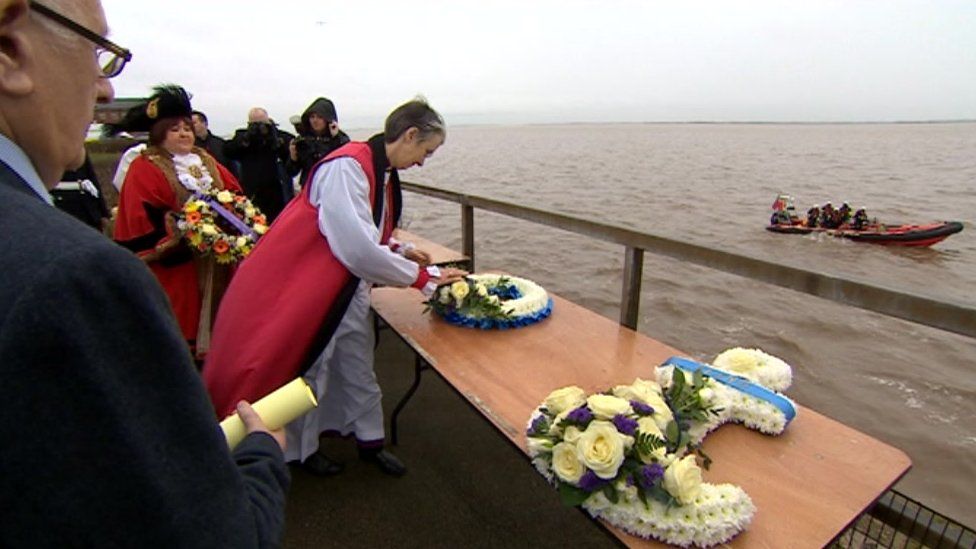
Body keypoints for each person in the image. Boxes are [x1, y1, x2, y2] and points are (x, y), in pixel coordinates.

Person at [0, 1, 288, 546]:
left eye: (188, 128)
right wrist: (263, 459)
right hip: (179, 277)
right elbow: (137, 236)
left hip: (217, 272)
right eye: (95, 49)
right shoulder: (78, 275)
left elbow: (239, 202)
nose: (105, 89)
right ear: (10, 50)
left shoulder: (209, 164)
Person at [204, 98, 466, 477]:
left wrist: (400, 248)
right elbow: (356, 246)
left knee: (357, 364)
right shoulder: (348, 166)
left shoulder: (375, 167)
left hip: (343, 286)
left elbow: (365, 231)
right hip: (314, 289)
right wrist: (425, 280)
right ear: (410, 134)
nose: (424, 160)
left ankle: (369, 439)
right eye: (427, 150)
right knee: (312, 370)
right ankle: (299, 451)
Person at [111, 85, 244, 361]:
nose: (184, 133)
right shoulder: (145, 166)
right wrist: (182, 231)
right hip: (179, 266)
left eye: (187, 127)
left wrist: (235, 221)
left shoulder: (206, 160)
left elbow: (234, 194)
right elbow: (139, 219)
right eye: (175, 129)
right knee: (182, 337)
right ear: (159, 133)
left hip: (217, 262)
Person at [224, 107, 294, 222]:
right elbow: (228, 151)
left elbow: (290, 157)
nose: (258, 128)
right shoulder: (242, 136)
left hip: (276, 192)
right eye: (254, 124)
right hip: (251, 190)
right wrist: (245, 140)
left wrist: (275, 138)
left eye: (262, 124)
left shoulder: (280, 136)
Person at [287, 97, 350, 186]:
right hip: (309, 187)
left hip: (332, 186)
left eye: (320, 117)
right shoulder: (303, 140)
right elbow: (291, 172)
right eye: (312, 117)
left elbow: (347, 164)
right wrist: (293, 157)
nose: (315, 121)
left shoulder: (341, 139)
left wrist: (336, 138)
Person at [51, 152, 110, 232]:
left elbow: (90, 175)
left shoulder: (77, 147)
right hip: (60, 204)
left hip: (86, 206)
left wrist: (102, 212)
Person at [191, 109, 237, 177]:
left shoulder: (220, 143)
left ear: (204, 123)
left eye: (194, 123)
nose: (191, 126)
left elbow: (231, 167)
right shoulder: (190, 146)